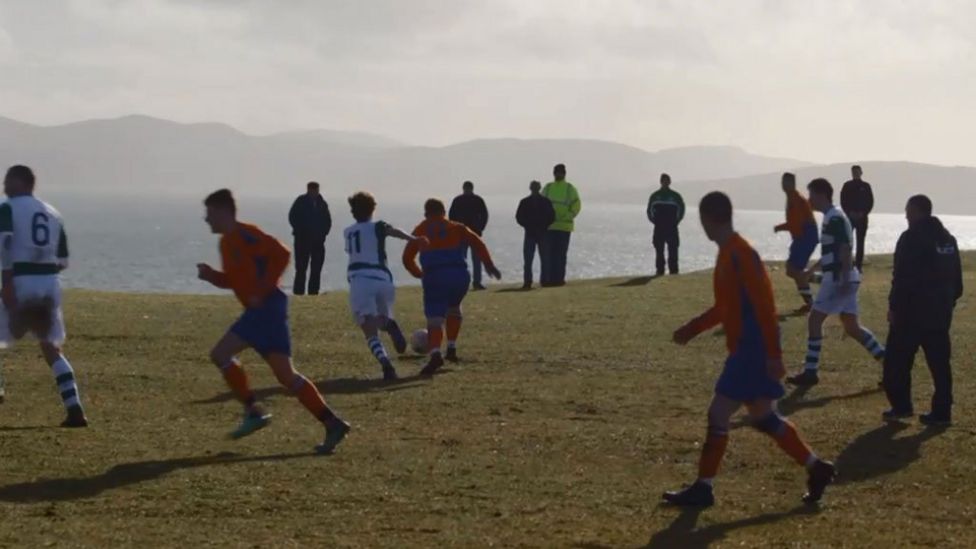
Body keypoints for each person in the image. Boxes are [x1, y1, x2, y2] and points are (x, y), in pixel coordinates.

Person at [664, 191, 835, 507]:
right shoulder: (730, 252)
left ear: (709, 219)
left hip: (751, 350)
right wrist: (692, 329)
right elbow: (724, 306)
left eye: (701, 220)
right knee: (764, 418)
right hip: (749, 348)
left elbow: (765, 307)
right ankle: (817, 467)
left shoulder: (741, 254)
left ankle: (703, 488)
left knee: (719, 414)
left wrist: (773, 355)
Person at [197, 189, 349, 454]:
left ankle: (253, 410)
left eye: (210, 214)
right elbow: (235, 280)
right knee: (286, 376)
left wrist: (263, 289)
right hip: (266, 309)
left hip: (266, 308)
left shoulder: (246, 234)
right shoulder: (226, 243)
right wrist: (213, 277)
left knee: (221, 354)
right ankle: (332, 423)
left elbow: (283, 253)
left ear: (223, 212)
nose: (206, 220)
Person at [0, 165, 88, 427]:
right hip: (49, 283)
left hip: (19, 278)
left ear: (21, 182)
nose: (4, 185)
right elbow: (62, 261)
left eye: (7, 180)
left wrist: (8, 282)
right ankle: (75, 409)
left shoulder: (7, 208)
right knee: (51, 348)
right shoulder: (53, 213)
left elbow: (4, 244)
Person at [787, 179, 885, 387]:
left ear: (821, 195)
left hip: (839, 279)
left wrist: (843, 279)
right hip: (844, 278)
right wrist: (812, 271)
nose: (808, 199)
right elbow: (832, 252)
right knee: (852, 327)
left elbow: (845, 250)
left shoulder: (834, 218)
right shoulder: (832, 217)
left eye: (811, 195)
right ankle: (891, 366)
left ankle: (811, 373)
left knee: (814, 321)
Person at [882, 195, 962, 426]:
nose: (906, 215)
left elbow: (902, 277)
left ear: (917, 211)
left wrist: (894, 307)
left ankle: (901, 406)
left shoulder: (911, 238)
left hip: (911, 313)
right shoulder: (948, 240)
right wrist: (949, 302)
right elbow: (956, 280)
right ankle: (942, 411)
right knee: (939, 365)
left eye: (908, 211)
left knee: (897, 362)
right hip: (939, 313)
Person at [403, 199, 501, 375]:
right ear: (444, 212)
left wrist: (419, 274)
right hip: (459, 277)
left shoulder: (420, 230)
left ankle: (434, 354)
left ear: (426, 213)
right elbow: (477, 242)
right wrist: (488, 264)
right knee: (454, 307)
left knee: (435, 318)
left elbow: (407, 258)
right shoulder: (456, 227)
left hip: (435, 276)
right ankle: (451, 347)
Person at [343, 191, 424, 381]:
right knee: (378, 319)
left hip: (360, 278)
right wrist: (414, 240)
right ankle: (388, 323)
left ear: (353, 211)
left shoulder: (347, 232)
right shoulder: (378, 226)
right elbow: (394, 231)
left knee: (368, 327)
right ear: (373, 209)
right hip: (383, 278)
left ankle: (386, 364)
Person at [773, 172, 819, 311]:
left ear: (792, 183)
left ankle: (811, 303)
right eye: (783, 182)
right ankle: (823, 281)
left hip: (805, 236)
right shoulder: (791, 197)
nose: (783, 185)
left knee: (794, 270)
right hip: (803, 237)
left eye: (786, 182)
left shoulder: (795, 199)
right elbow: (796, 222)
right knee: (792, 271)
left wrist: (781, 227)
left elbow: (798, 223)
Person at [288, 181, 332, 295]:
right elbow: (292, 217)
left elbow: (328, 220)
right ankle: (299, 292)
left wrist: (323, 233)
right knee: (301, 268)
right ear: (308, 190)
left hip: (318, 241)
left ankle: (313, 292)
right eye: (312, 190)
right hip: (302, 241)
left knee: (316, 268)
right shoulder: (300, 202)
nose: (314, 192)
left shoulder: (322, 204)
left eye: (316, 190)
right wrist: (300, 231)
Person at [541, 164, 581, 287]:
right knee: (549, 255)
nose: (558, 174)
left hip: (563, 227)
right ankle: (548, 279)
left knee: (560, 255)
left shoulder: (570, 188)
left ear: (564, 174)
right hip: (550, 227)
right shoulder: (547, 188)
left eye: (560, 172)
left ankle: (558, 279)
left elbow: (576, 205)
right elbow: (541, 204)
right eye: (556, 172)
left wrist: (568, 216)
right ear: (554, 173)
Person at [449, 181, 490, 290]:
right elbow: (451, 217)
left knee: (475, 259)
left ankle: (476, 282)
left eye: (468, 188)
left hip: (474, 233)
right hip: (463, 234)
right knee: (462, 259)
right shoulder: (458, 200)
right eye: (466, 188)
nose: (467, 190)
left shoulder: (476, 200)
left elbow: (484, 215)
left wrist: (481, 227)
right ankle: (462, 281)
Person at [515, 180, 555, 289]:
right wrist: (527, 225)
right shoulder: (525, 202)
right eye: (534, 187)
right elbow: (519, 217)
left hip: (540, 233)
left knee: (543, 259)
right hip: (531, 233)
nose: (535, 189)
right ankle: (529, 281)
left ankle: (543, 280)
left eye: (536, 187)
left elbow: (552, 216)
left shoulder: (545, 202)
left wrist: (544, 225)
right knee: (529, 259)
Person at [646, 173, 685, 276]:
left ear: (670, 182)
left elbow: (681, 209)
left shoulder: (675, 196)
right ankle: (660, 271)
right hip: (659, 227)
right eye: (664, 180)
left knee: (673, 249)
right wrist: (655, 222)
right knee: (659, 250)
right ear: (661, 181)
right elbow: (649, 211)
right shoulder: (655, 196)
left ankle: (674, 271)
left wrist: (676, 221)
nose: (665, 182)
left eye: (667, 180)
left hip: (672, 227)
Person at [840, 165, 874, 271]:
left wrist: (863, 213)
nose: (855, 173)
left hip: (862, 218)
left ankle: (858, 265)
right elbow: (843, 201)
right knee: (847, 242)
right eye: (853, 172)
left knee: (860, 242)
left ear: (861, 172)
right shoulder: (847, 186)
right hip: (850, 217)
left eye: (857, 172)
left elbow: (870, 201)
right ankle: (847, 264)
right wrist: (849, 212)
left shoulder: (866, 186)